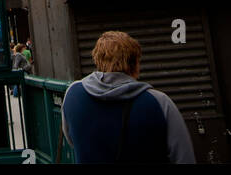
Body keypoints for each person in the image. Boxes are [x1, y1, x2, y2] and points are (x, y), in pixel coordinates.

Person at [61, 30, 195, 164]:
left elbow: (71, 140)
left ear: (97, 59)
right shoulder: (159, 103)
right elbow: (184, 157)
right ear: (135, 64)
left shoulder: (73, 94)